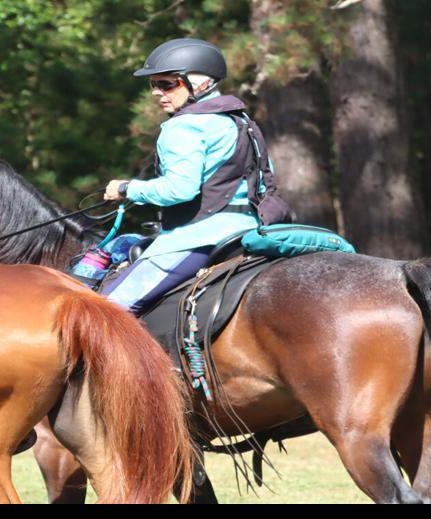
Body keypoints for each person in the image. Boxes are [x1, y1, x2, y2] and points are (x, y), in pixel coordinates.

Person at [101, 38, 291, 314]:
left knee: (103, 312)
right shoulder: (242, 122)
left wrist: (127, 189)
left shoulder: (184, 126)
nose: (157, 92)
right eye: (154, 84)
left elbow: (179, 190)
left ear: (201, 83)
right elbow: (264, 179)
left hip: (200, 238)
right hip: (253, 233)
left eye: (167, 84)